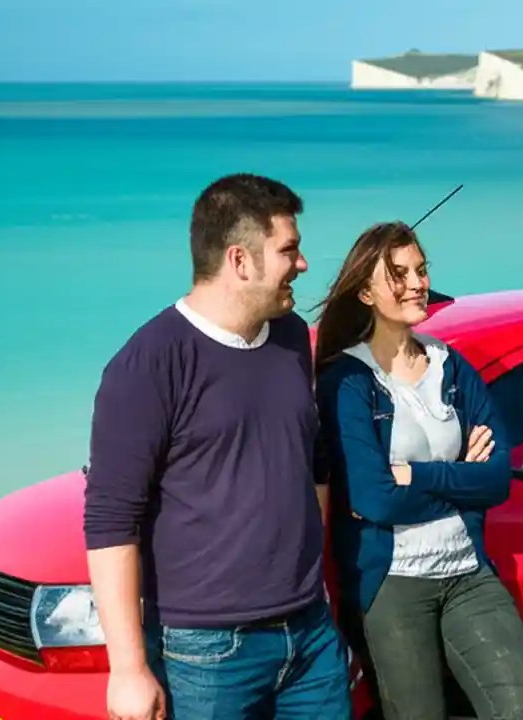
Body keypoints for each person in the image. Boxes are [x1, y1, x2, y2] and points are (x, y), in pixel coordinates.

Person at [83, 173, 352, 720]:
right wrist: (129, 669)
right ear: (240, 260)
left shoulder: (293, 338)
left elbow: (313, 463)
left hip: (310, 635)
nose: (302, 264)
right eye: (289, 250)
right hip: (205, 654)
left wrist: (319, 589)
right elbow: (111, 520)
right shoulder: (148, 364)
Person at [313, 221, 523, 720]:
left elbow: (497, 479)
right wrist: (462, 475)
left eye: (421, 270)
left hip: (468, 573)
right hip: (393, 585)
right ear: (366, 292)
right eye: (399, 274)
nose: (418, 282)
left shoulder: (452, 368)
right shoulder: (348, 382)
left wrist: (419, 475)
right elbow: (374, 499)